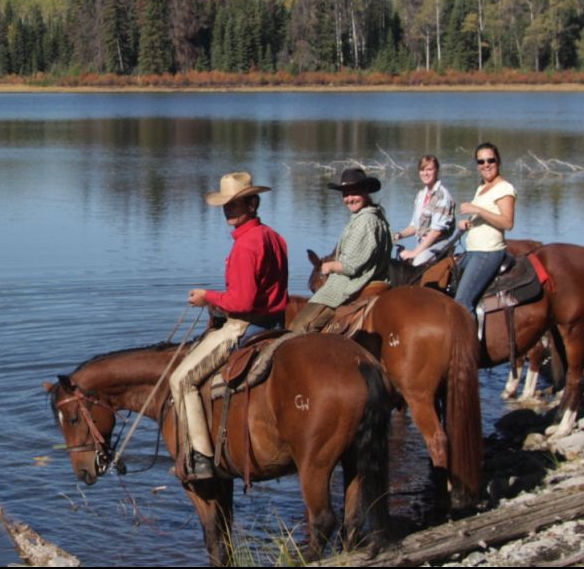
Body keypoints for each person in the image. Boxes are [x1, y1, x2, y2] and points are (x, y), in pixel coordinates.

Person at [170, 172, 288, 482]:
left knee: (180, 380)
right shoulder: (273, 236)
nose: (228, 210)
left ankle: (201, 458)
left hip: (244, 326)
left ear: (252, 204)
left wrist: (207, 297)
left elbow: (243, 302)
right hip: (276, 322)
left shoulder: (246, 245)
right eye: (225, 204)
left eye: (234, 204)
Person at [291, 168, 393, 333]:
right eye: (346, 194)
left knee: (299, 326)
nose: (349, 199)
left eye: (355, 193)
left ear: (366, 191)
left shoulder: (365, 221)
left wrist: (329, 266)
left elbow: (350, 265)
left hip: (352, 285)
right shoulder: (375, 216)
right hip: (374, 279)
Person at [454, 142, 515, 315]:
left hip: (488, 251)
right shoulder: (482, 187)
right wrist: (468, 223)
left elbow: (508, 223)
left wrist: (477, 209)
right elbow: (486, 217)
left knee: (462, 302)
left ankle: (468, 333)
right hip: (473, 250)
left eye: (490, 160)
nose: (486, 165)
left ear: (498, 161)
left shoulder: (504, 188)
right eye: (481, 161)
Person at [395, 155, 456, 266]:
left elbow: (436, 232)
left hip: (438, 244)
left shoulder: (442, 196)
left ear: (436, 170)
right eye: (422, 170)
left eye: (429, 169)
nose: (425, 173)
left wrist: (414, 253)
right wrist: (399, 235)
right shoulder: (421, 195)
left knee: (418, 263)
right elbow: (415, 226)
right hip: (423, 244)